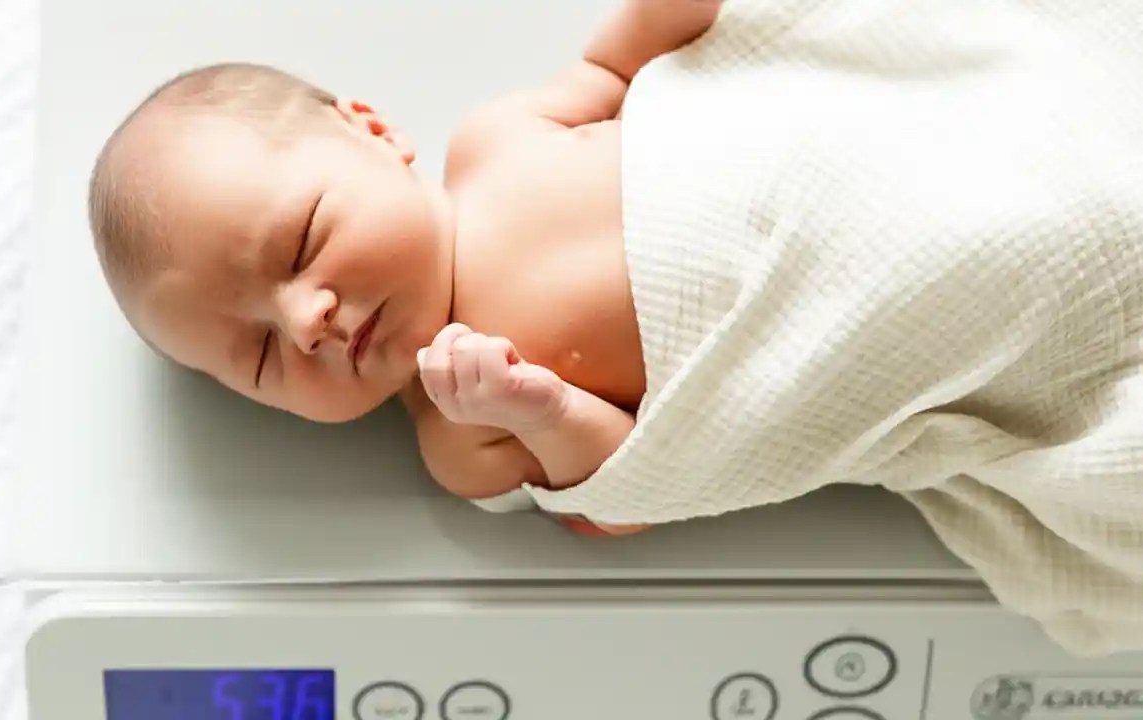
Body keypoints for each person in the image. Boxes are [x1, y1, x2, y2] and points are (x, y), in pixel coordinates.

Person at [87, 0, 723, 535]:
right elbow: (626, 503)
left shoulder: (498, 139)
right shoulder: (461, 436)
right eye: (262, 354)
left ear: (375, 132)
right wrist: (543, 413)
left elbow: (621, 62)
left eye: (303, 244)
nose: (307, 324)